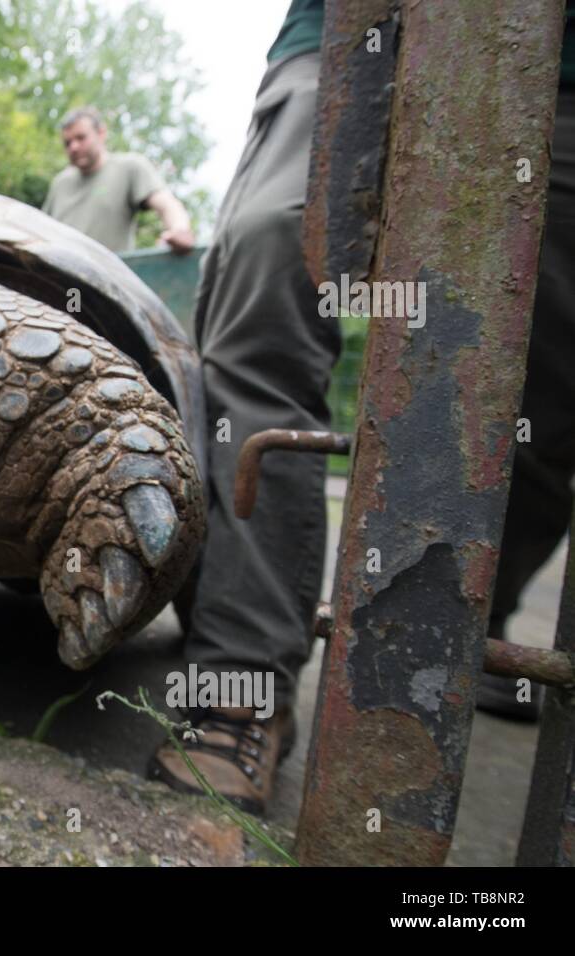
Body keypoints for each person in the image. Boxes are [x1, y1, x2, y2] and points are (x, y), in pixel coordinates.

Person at [148, 0, 575, 816]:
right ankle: (240, 679)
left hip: (559, 66)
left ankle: (479, 618)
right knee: (267, 270)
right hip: (350, 39)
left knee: (540, 365)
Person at [41, 106, 195, 254]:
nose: (73, 147)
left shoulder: (128, 167)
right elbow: (41, 231)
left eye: (81, 138)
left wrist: (179, 230)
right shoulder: (60, 183)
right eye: (67, 143)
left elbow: (167, 204)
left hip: (107, 277)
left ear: (101, 133)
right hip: (58, 278)